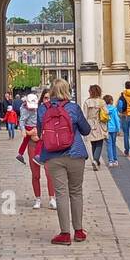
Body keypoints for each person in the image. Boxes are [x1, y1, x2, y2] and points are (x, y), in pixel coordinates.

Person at [37, 79, 91, 245]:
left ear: (51, 91)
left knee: (61, 193)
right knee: (76, 192)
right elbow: (86, 129)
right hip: (75, 154)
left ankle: (65, 233)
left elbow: (40, 133)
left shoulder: (42, 109)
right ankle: (79, 231)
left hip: (53, 156)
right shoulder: (73, 108)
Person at [82, 84, 107, 170]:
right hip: (99, 123)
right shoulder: (101, 101)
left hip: (90, 123)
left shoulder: (87, 102)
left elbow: (84, 115)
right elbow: (106, 112)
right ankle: (96, 160)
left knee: (93, 143)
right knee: (99, 142)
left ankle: (95, 160)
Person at [16, 89, 40, 163]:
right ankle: (38, 155)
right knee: (39, 140)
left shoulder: (34, 107)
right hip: (30, 126)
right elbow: (22, 120)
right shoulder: (24, 110)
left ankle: (20, 153)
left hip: (33, 126)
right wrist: (23, 130)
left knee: (25, 141)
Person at [103, 94, 121, 167]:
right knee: (114, 144)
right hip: (114, 129)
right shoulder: (114, 109)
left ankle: (110, 161)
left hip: (106, 129)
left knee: (109, 145)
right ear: (111, 101)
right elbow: (117, 119)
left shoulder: (103, 109)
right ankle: (115, 160)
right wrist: (118, 128)